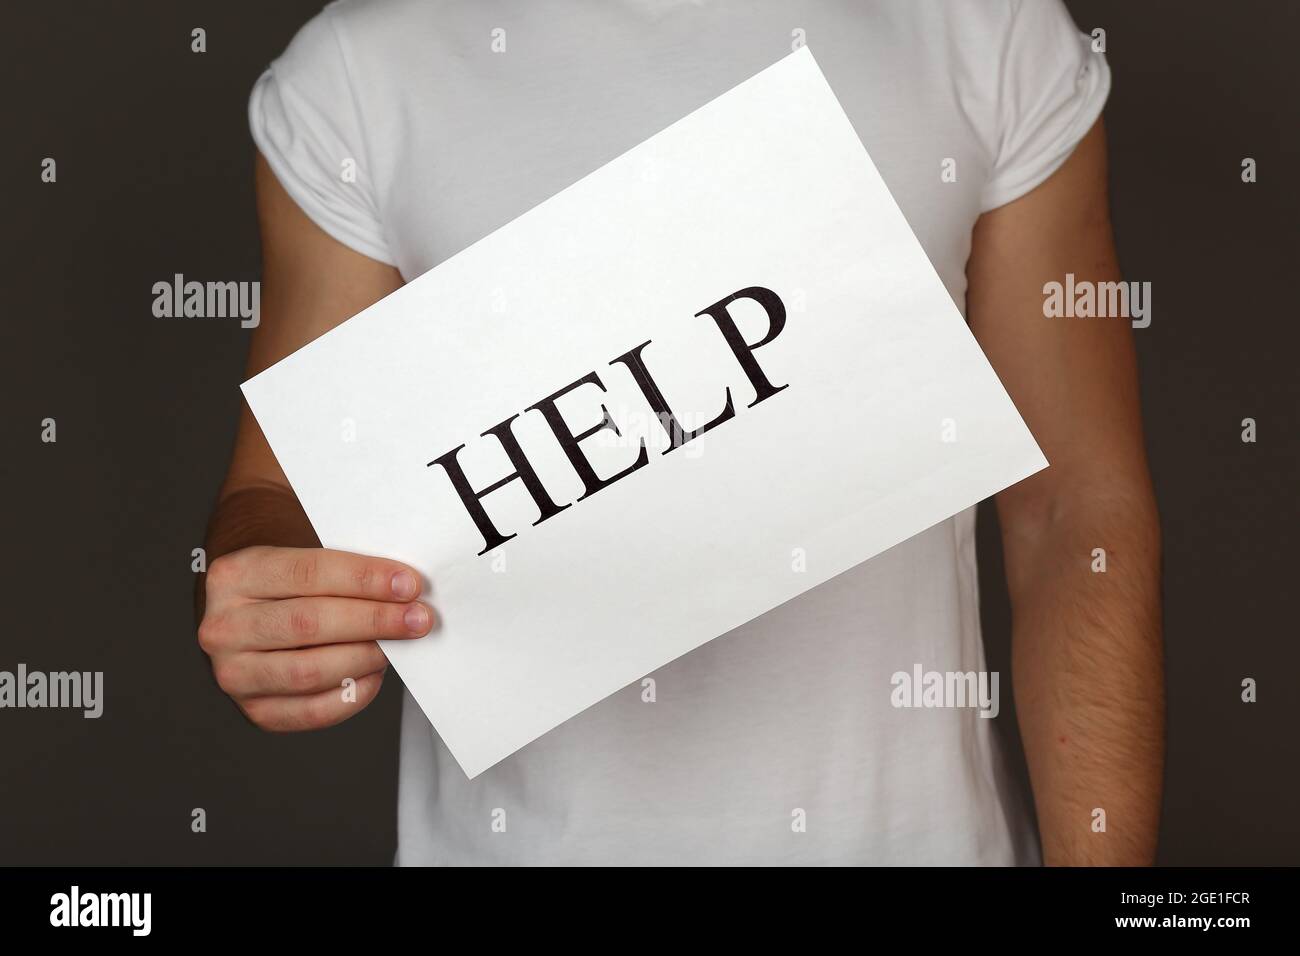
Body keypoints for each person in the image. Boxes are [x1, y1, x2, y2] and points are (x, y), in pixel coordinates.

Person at [197, 0, 1163, 865]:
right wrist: (273, 600)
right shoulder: (360, 73)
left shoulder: (984, 27)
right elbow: (278, 492)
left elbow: (1071, 511)